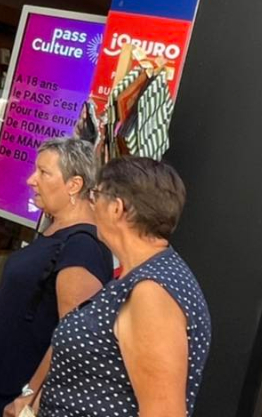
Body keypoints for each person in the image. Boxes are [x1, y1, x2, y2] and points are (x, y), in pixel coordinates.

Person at [34, 158, 212, 417]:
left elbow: (163, 412)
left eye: (96, 195)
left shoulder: (152, 292)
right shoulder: (145, 273)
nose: (92, 205)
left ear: (117, 208)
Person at [0, 139, 113, 417]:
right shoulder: (57, 229)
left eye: (44, 172)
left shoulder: (82, 246)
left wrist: (30, 396)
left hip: (24, 397)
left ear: (74, 185)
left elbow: (73, 337)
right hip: (5, 385)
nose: (31, 180)